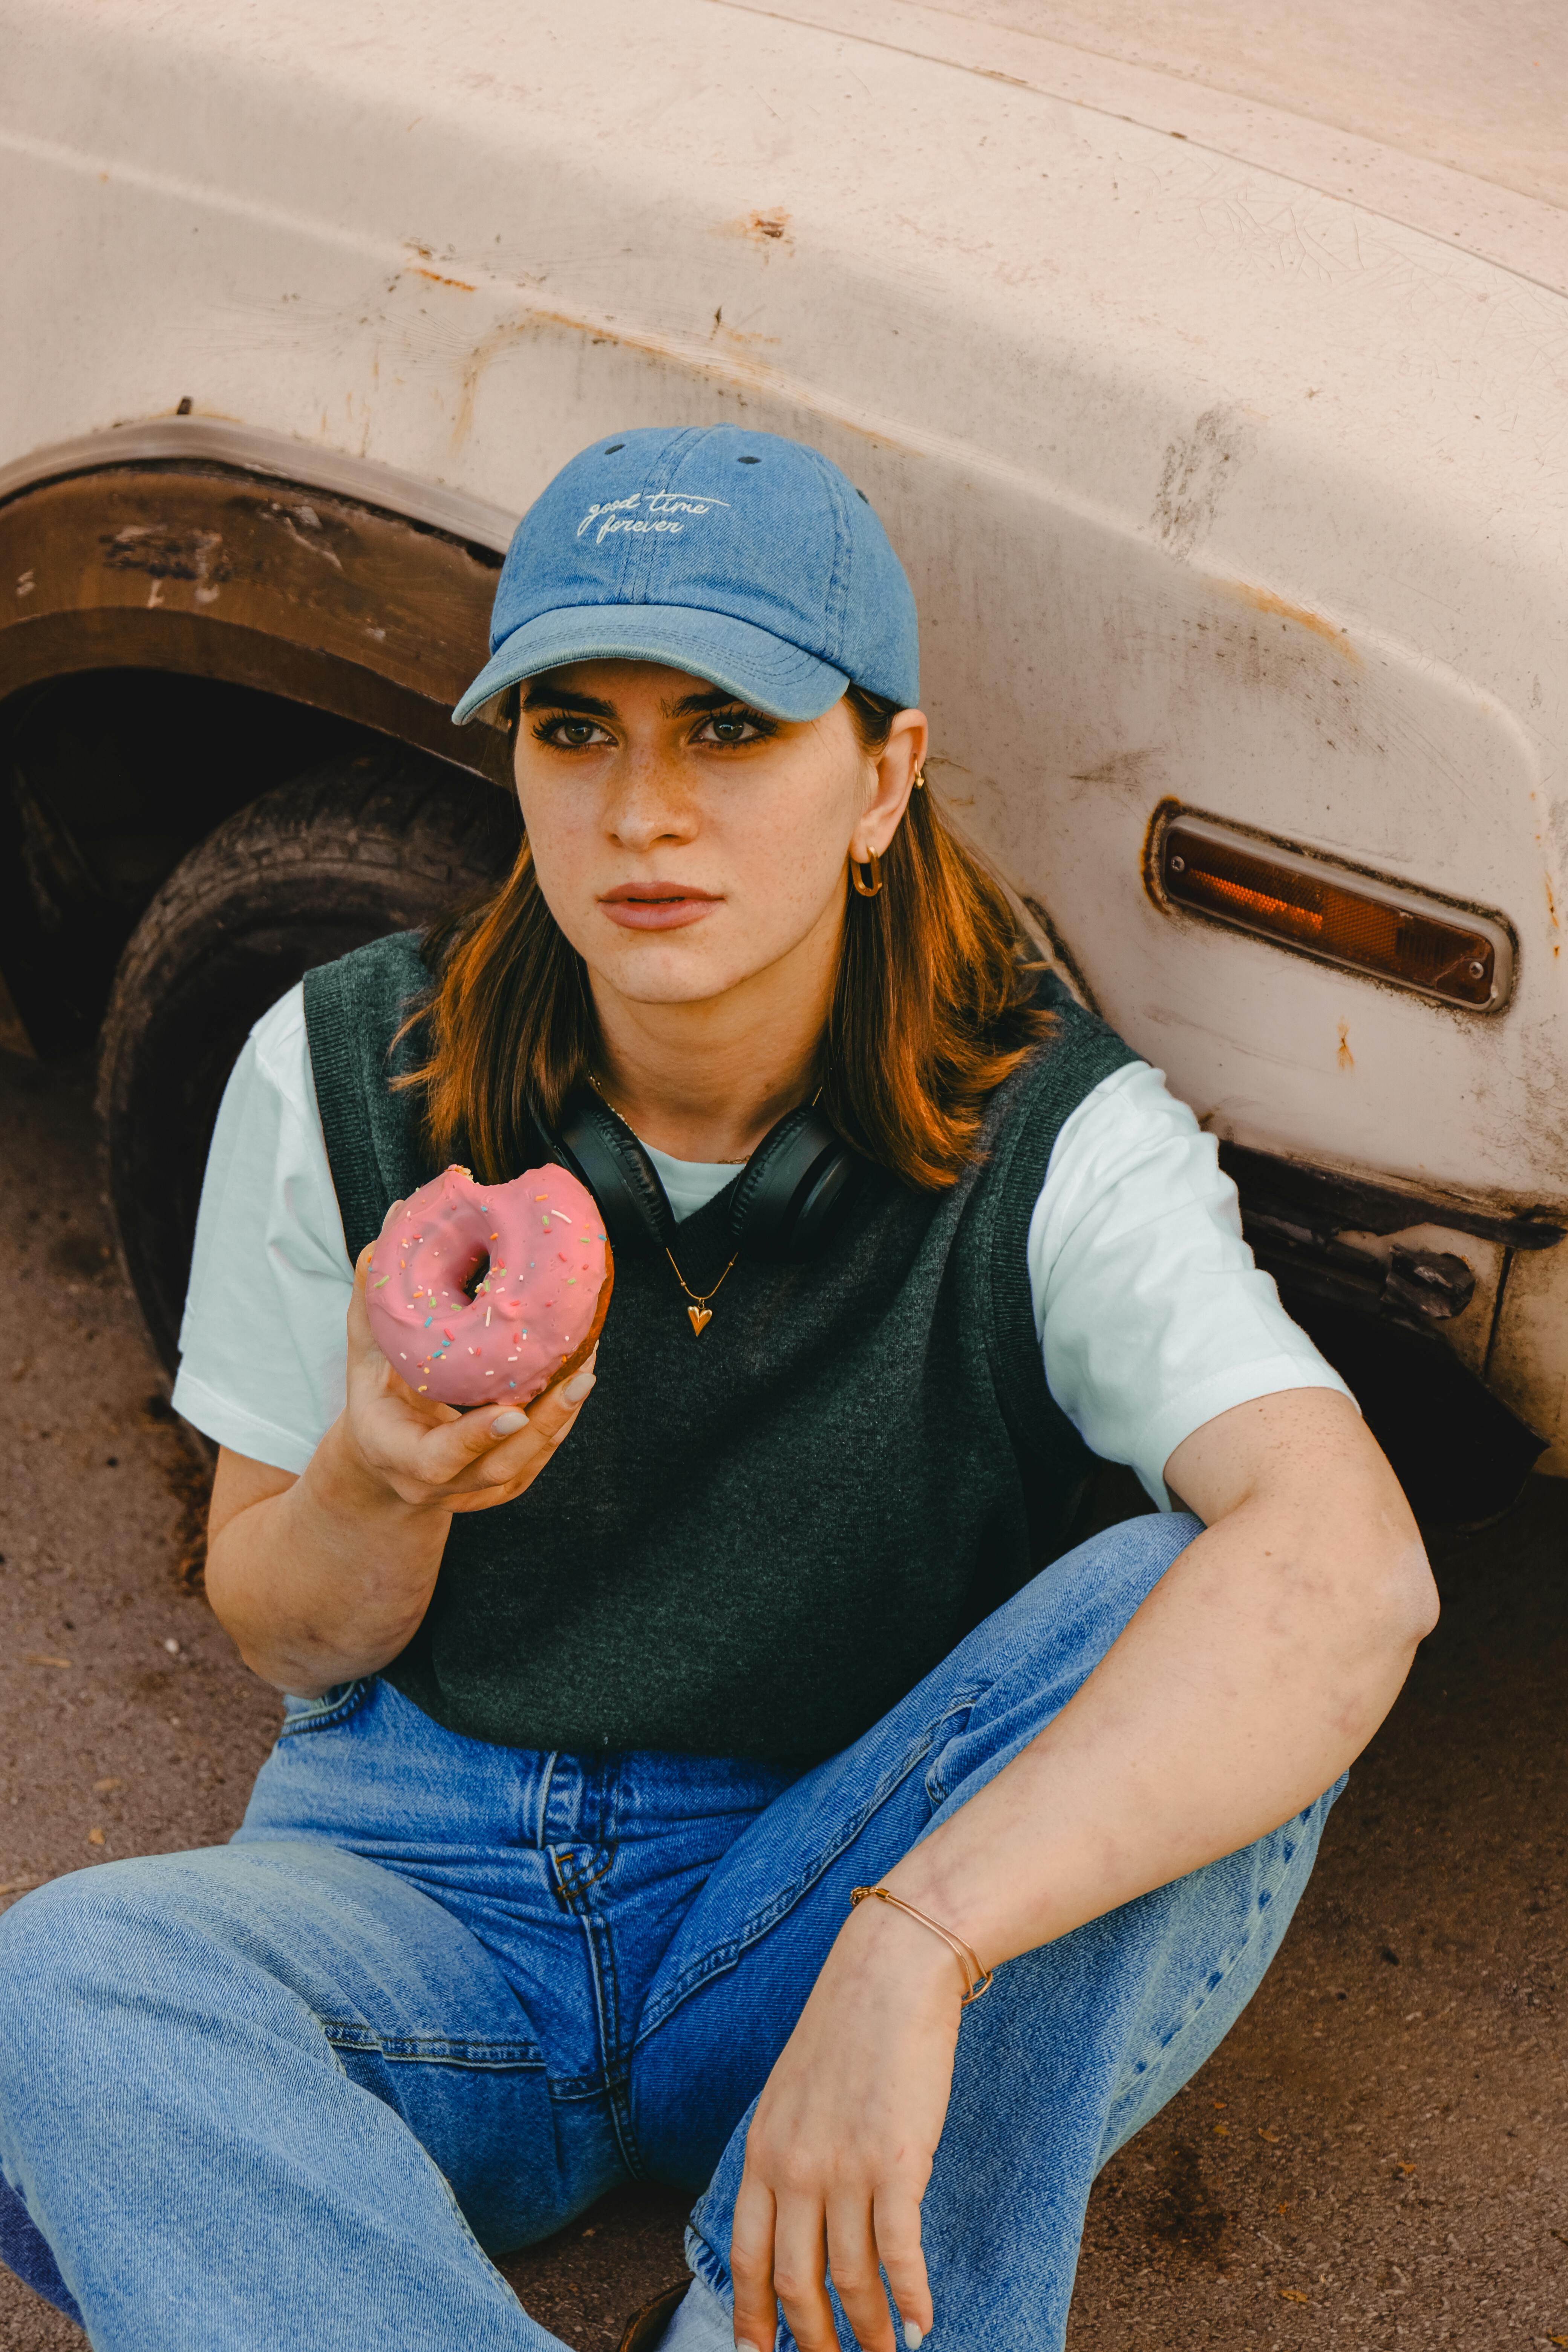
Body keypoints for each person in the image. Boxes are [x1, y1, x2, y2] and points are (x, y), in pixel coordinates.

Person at [0, 424, 1436, 2352]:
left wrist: (918, 1939)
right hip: (416, 1891)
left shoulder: (1056, 1144)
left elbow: (1351, 1568)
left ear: (882, 776)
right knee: (62, 1988)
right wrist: (377, 1483)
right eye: (573, 730)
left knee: (1197, 1612)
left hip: (812, 1886)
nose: (640, 813)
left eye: (729, 730)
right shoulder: (346, 1065)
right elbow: (281, 1626)